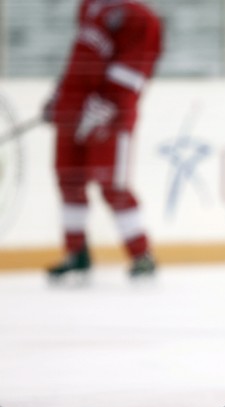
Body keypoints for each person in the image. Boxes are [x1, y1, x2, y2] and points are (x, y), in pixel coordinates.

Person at [44, 0, 162, 280]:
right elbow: (81, 57)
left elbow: (136, 67)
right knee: (69, 180)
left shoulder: (140, 16)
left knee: (113, 184)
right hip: (73, 112)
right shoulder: (88, 6)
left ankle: (141, 254)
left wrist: (107, 104)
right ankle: (76, 253)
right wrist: (61, 96)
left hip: (110, 116)